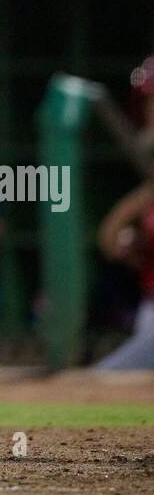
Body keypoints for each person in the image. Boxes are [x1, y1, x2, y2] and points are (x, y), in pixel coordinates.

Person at [95, 54, 154, 371]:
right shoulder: (148, 189)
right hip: (148, 315)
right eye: (150, 104)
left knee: (95, 383)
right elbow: (110, 241)